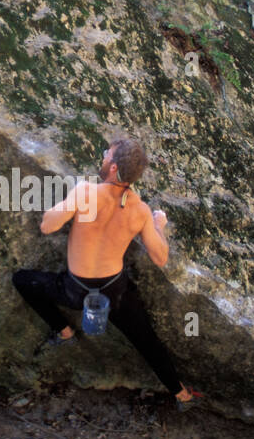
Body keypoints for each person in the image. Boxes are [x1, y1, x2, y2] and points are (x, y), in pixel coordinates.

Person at [12, 137, 200, 407]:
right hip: (115, 292)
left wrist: (70, 202)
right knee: (147, 341)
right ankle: (180, 393)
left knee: (22, 280)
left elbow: (48, 227)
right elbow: (160, 257)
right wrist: (159, 225)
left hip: (74, 290)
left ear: (113, 167)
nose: (102, 158)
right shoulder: (141, 210)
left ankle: (64, 331)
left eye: (106, 154)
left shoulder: (86, 193)